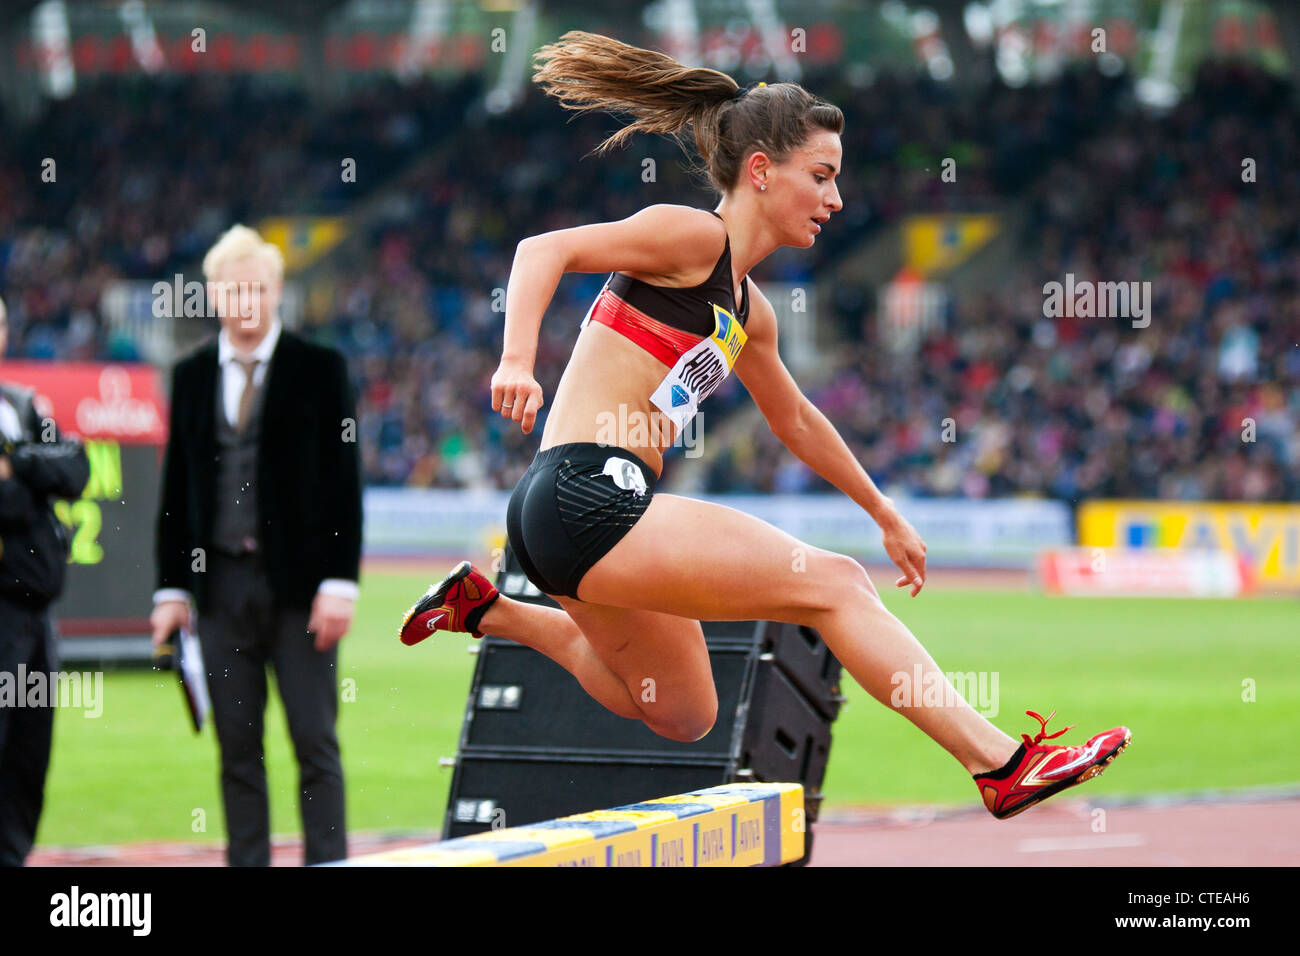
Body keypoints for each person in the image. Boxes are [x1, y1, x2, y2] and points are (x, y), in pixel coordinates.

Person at [399, 32, 1130, 820]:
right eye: (821, 176)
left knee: (682, 712)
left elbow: (798, 421)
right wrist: (516, 361)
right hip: (588, 493)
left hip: (564, 525)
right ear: (760, 172)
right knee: (840, 586)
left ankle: (486, 608)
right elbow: (541, 248)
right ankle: (1002, 763)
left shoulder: (748, 312)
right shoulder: (692, 239)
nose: (836, 199)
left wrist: (882, 512)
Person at [150, 225, 362, 864]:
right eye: (233, 288)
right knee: (238, 750)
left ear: (277, 292)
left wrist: (340, 583)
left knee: (314, 743)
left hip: (300, 590)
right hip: (219, 591)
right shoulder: (189, 377)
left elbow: (343, 486)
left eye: (258, 288)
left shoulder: (320, 370)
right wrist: (170, 589)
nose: (246, 300)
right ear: (214, 295)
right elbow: (176, 489)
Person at [0, 294, 91, 864]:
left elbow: (76, 467)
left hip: (37, 618)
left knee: (29, 755)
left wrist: (19, 463)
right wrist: (34, 485)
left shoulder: (22, 403)